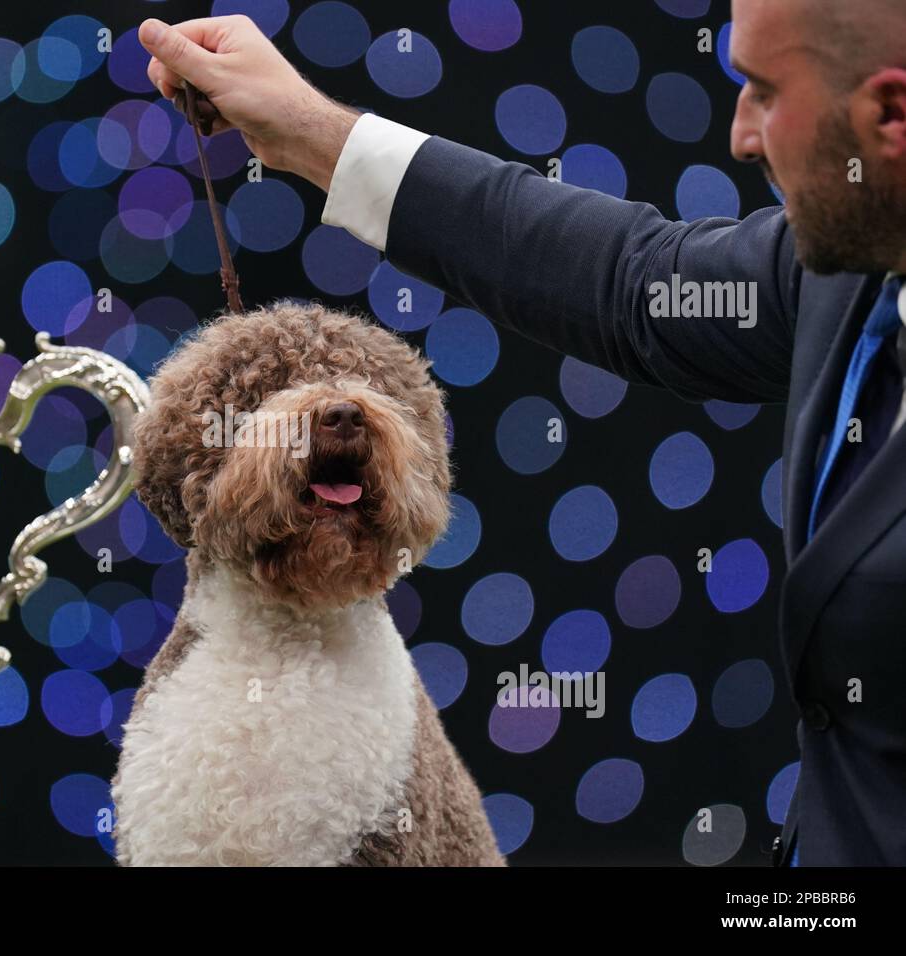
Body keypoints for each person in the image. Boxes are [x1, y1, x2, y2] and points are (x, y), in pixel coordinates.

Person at [136, 0, 906, 867]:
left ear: (891, 115)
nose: (740, 135)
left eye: (764, 91)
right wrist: (317, 134)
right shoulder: (850, 271)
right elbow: (632, 280)